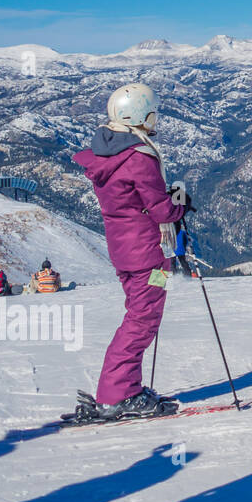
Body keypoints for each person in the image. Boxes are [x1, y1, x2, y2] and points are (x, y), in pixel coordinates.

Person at [71, 83, 188, 420]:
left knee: (138, 317)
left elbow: (132, 201)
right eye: (152, 114)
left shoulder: (107, 154)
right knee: (141, 321)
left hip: (124, 250)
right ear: (141, 116)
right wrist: (180, 202)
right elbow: (162, 211)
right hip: (146, 252)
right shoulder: (139, 158)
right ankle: (117, 394)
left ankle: (126, 388)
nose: (155, 120)